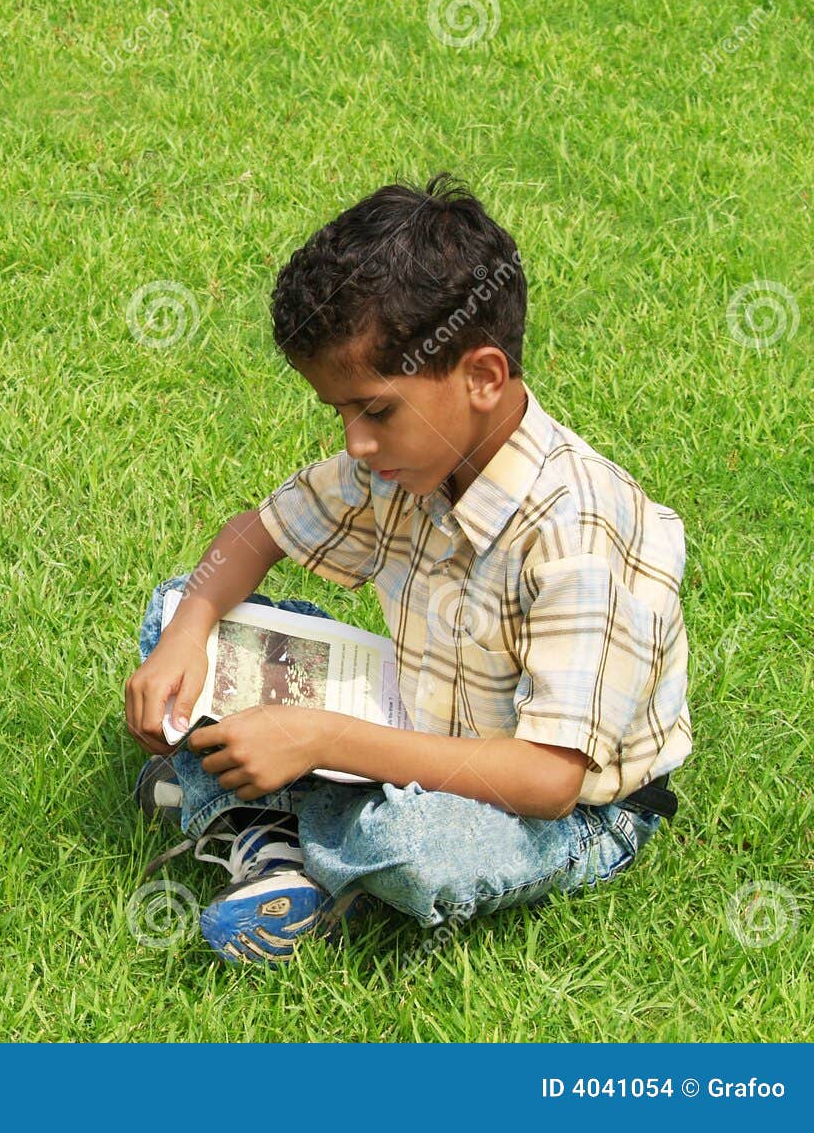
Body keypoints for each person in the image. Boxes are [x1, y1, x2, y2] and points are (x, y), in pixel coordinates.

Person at [124, 174, 689, 964]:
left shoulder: (581, 533)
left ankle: (268, 825)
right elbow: (251, 535)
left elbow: (550, 780)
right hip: (416, 713)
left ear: (483, 377)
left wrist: (325, 737)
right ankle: (283, 816)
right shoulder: (404, 464)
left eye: (376, 410)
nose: (356, 443)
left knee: (414, 842)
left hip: (565, 810)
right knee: (184, 605)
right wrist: (184, 639)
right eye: (341, 415)